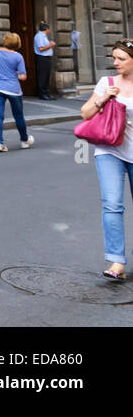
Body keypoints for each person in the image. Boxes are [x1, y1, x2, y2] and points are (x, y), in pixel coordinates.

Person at [79, 40, 133, 280]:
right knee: (112, 204)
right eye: (115, 58)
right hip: (109, 150)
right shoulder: (107, 83)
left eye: (121, 58)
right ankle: (116, 262)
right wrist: (104, 98)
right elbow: (85, 113)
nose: (116, 63)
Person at [34, 21, 56, 101]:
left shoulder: (43, 36)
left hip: (46, 58)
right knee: (42, 76)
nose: (49, 30)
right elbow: (41, 49)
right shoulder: (39, 36)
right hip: (42, 58)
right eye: (48, 29)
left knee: (46, 76)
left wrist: (49, 44)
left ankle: (46, 93)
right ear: (46, 29)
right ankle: (42, 94)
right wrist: (51, 45)